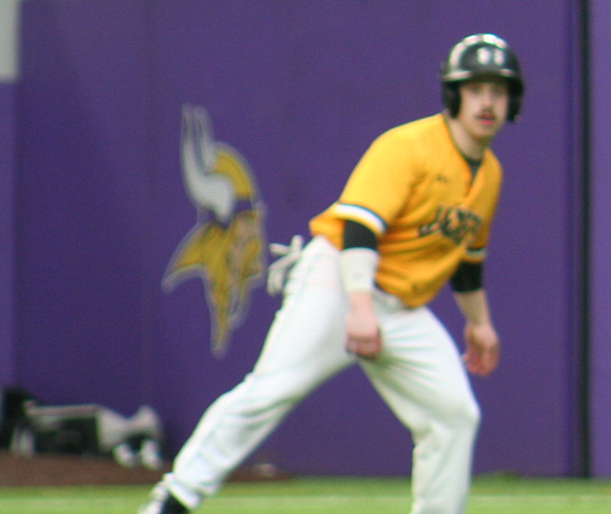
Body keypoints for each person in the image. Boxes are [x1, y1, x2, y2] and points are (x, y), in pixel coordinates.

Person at [140, 35, 520, 514]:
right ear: (453, 94)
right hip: (339, 278)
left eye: (498, 91)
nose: (487, 102)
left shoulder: (490, 174)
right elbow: (360, 227)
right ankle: (174, 498)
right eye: (476, 89)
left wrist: (480, 323)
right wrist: (359, 306)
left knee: (454, 414)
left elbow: (466, 261)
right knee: (273, 389)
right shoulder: (408, 146)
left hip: (400, 305)